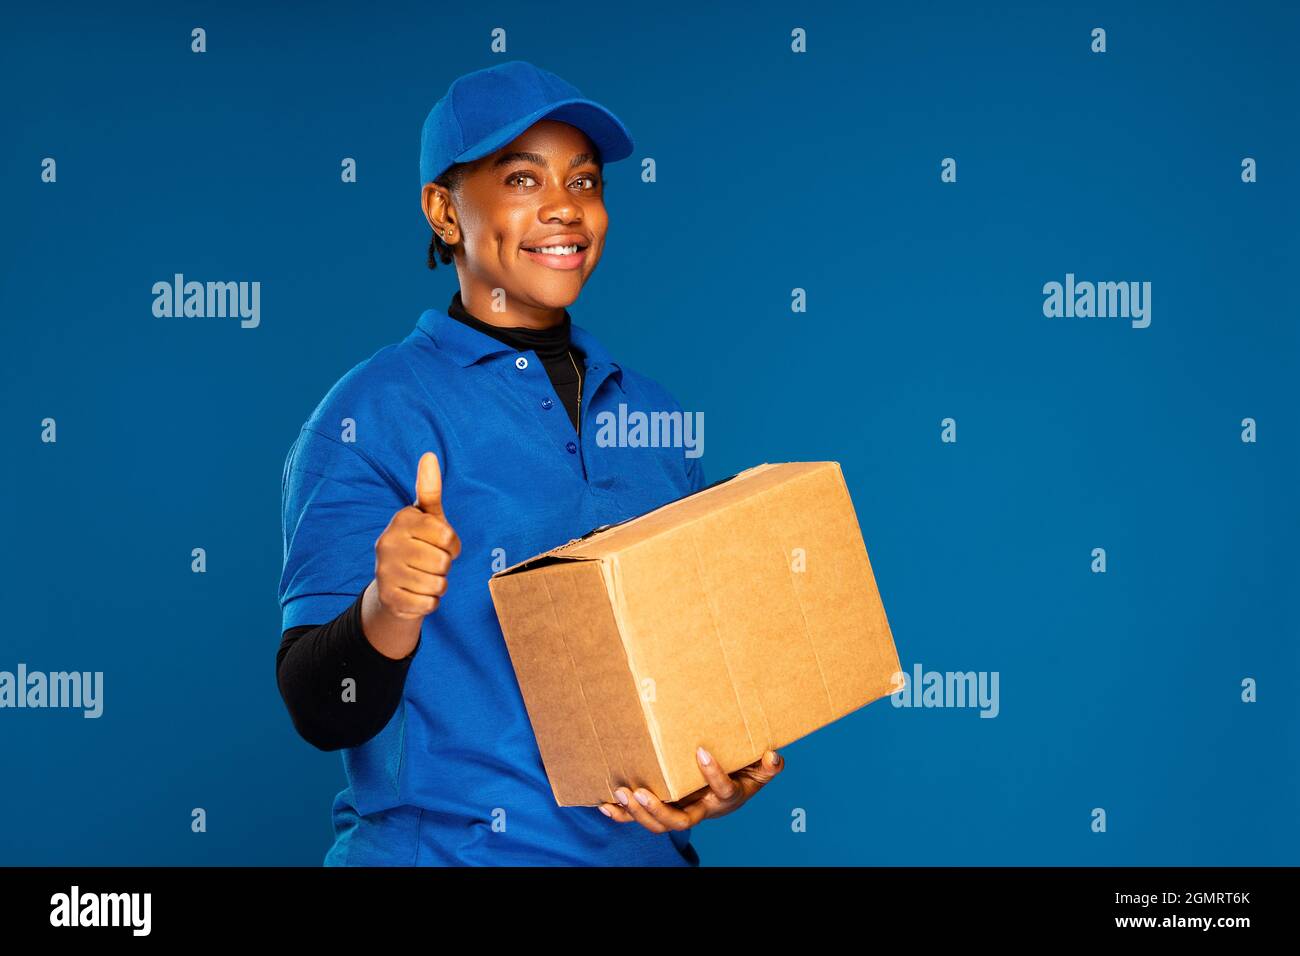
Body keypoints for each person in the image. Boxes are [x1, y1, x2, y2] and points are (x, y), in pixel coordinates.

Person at [276, 60, 783, 866]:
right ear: (444, 211)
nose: (564, 208)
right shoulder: (370, 412)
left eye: (585, 182)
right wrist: (388, 608)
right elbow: (320, 709)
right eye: (521, 178)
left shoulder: (653, 414)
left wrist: (719, 769)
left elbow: (686, 667)